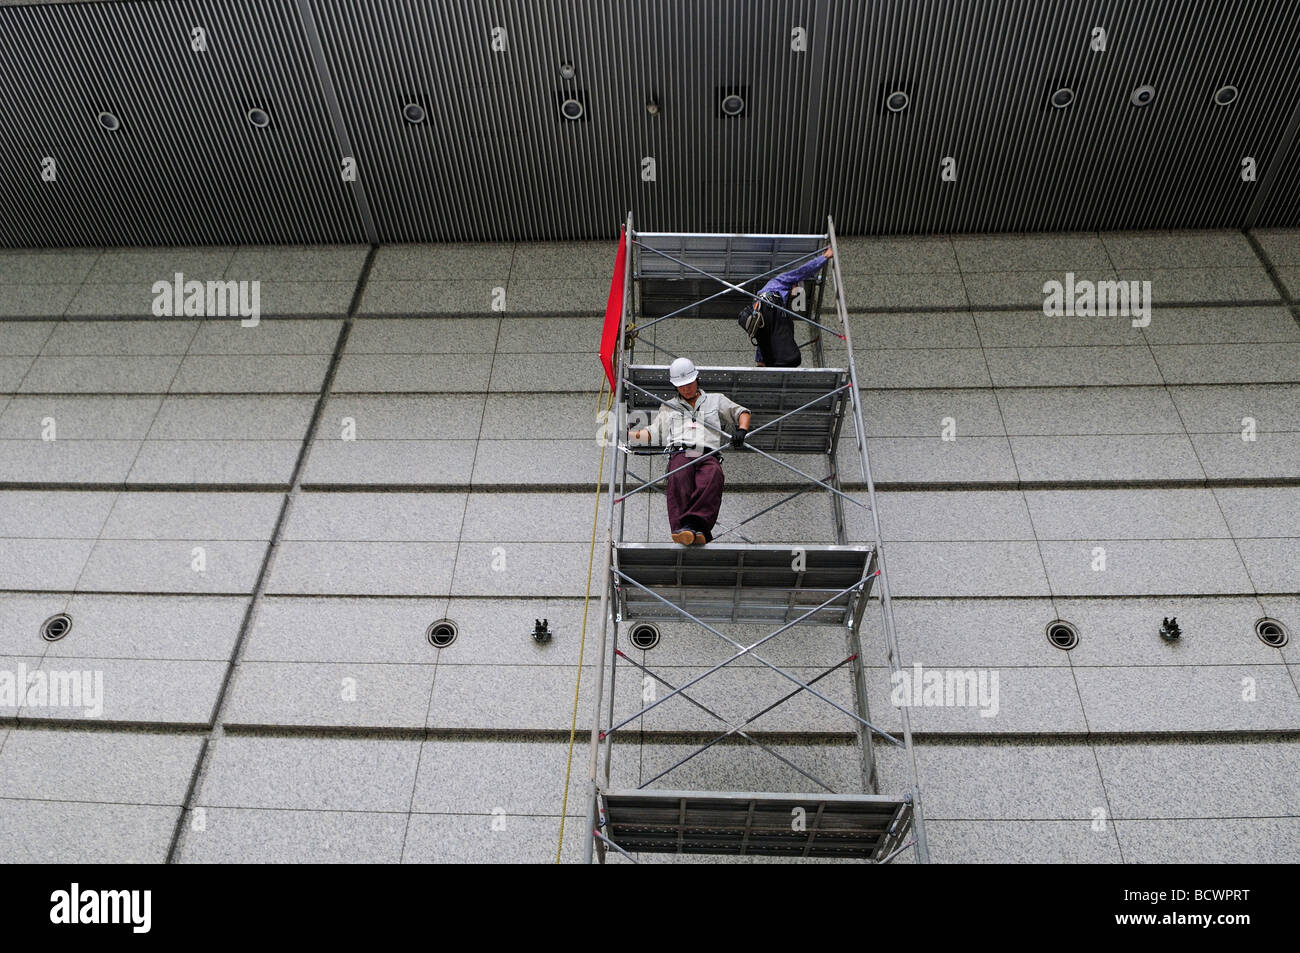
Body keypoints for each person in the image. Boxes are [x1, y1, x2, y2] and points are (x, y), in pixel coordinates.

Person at [627, 357, 751, 545]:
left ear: (697, 379)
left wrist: (742, 430)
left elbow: (741, 412)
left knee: (712, 477)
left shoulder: (715, 400)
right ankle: (681, 530)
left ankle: (697, 526)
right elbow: (652, 432)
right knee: (679, 478)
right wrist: (629, 434)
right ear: (675, 387)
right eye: (681, 385)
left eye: (689, 383)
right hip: (681, 451)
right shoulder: (668, 407)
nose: (686, 388)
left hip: (708, 452)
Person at [739, 246, 833, 366]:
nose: (796, 293)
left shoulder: (776, 306)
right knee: (786, 329)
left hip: (760, 311)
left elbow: (763, 333)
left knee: (772, 336)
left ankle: (763, 361)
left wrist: (760, 359)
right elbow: (803, 271)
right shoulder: (781, 281)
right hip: (768, 303)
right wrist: (824, 257)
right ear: (795, 284)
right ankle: (772, 359)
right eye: (797, 288)